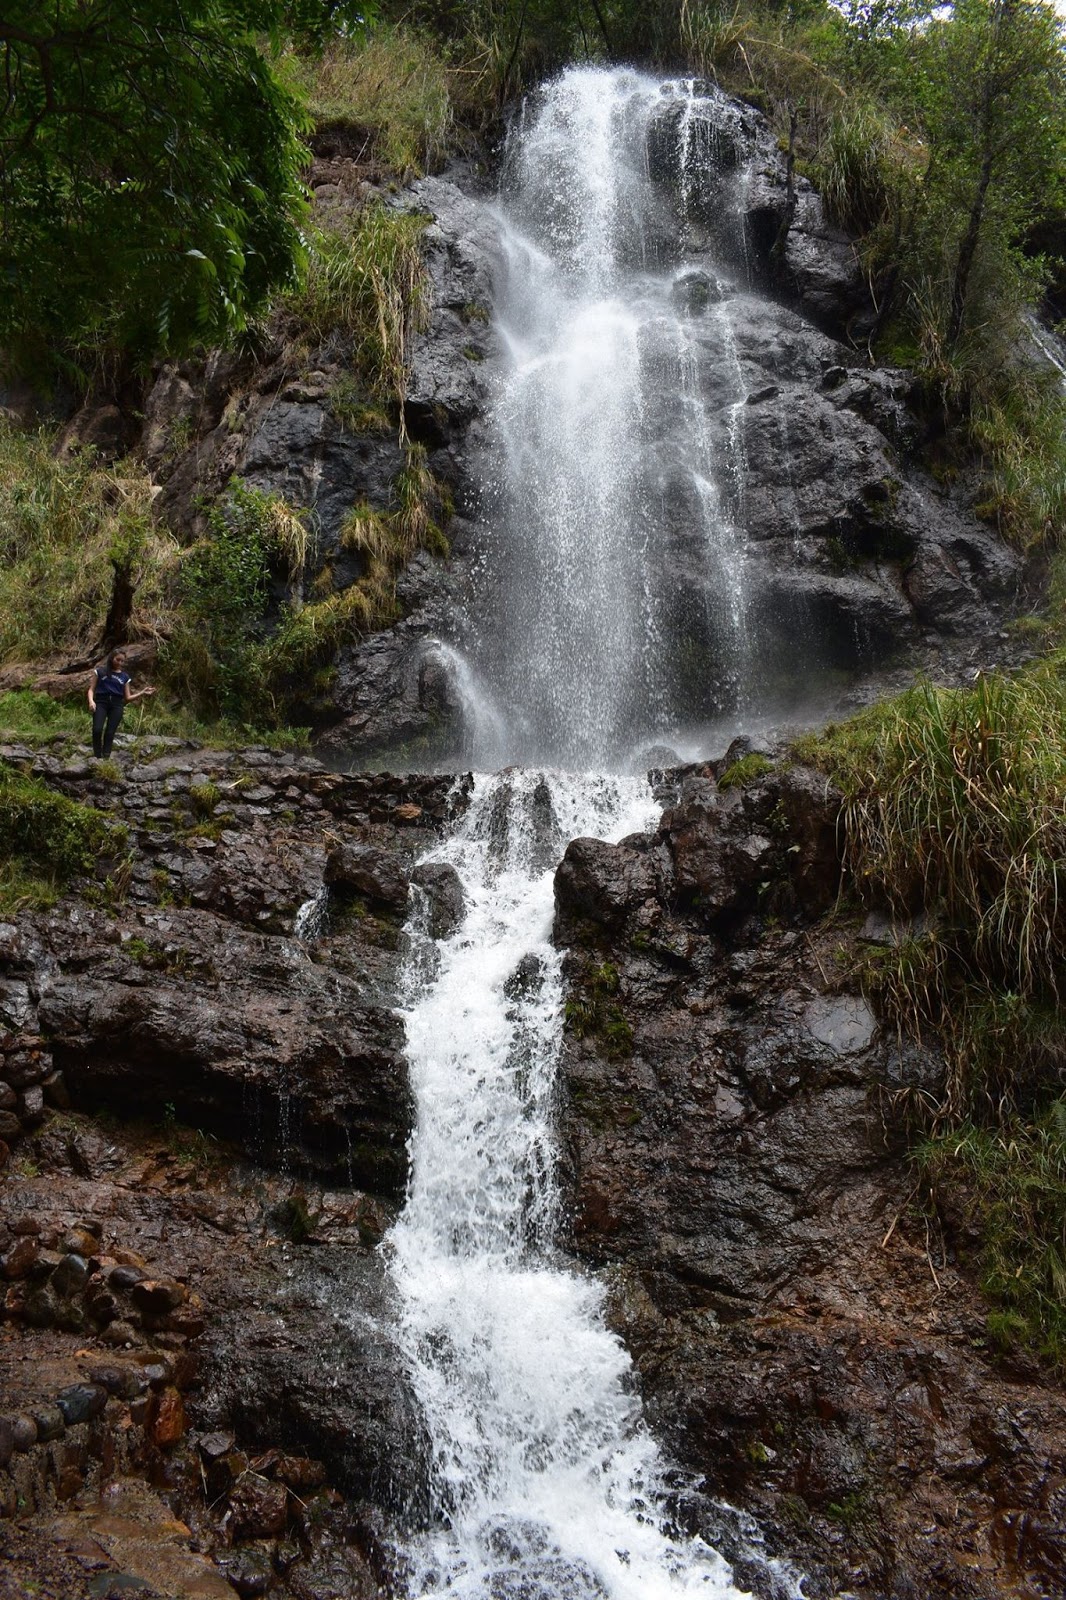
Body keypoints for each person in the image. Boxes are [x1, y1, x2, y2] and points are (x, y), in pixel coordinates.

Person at [87, 650, 155, 758]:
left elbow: (127, 697)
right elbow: (91, 689)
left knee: (110, 732)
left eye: (122, 661)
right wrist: (91, 701)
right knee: (97, 729)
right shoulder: (100, 672)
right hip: (101, 702)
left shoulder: (124, 677)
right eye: (117, 660)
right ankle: (97, 756)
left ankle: (106, 757)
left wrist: (142, 692)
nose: (119, 663)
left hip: (117, 704)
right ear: (111, 658)